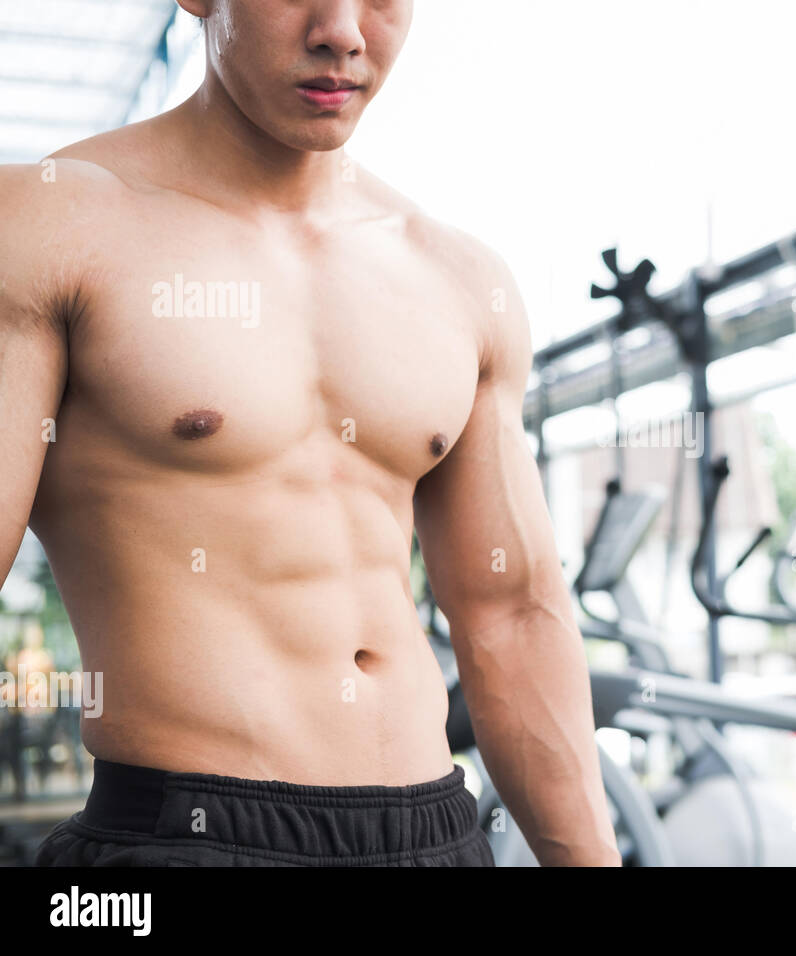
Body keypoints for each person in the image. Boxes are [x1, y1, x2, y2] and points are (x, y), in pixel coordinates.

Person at [0, 0, 620, 866]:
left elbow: (511, 613)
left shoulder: (456, 276)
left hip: (436, 834)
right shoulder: (49, 225)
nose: (343, 29)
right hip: (179, 842)